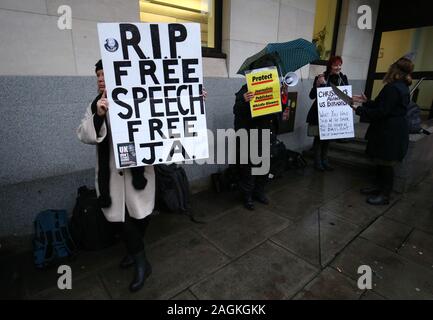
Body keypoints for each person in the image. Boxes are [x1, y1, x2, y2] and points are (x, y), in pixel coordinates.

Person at [77, 60, 155, 292]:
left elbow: (167, 117)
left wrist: (193, 99)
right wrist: (99, 115)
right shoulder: (95, 104)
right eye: (98, 75)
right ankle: (142, 263)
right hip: (112, 176)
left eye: (105, 74)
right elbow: (83, 133)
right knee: (125, 223)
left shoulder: (139, 99)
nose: (100, 78)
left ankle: (134, 250)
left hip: (139, 172)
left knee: (142, 216)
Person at [351, 57, 414, 205]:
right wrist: (366, 102)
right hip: (389, 128)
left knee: (386, 163)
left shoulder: (393, 88)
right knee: (380, 160)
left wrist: (359, 110)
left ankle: (385, 194)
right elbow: (383, 105)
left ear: (395, 70)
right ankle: (378, 188)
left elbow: (382, 111)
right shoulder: (401, 86)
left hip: (390, 131)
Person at [233, 60, 280, 210]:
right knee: (249, 169)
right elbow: (237, 111)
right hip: (250, 136)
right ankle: (247, 196)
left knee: (264, 167)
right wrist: (244, 101)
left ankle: (259, 192)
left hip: (266, 135)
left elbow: (277, 112)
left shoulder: (273, 89)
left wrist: (282, 98)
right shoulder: (244, 90)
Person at [306, 56, 349, 171]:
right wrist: (318, 85)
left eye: (340, 65)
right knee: (319, 138)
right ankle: (317, 162)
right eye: (335, 65)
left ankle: (325, 161)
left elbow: (343, 95)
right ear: (330, 65)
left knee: (328, 139)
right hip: (320, 113)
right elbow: (312, 96)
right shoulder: (321, 77)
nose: (338, 67)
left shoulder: (343, 78)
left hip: (333, 114)